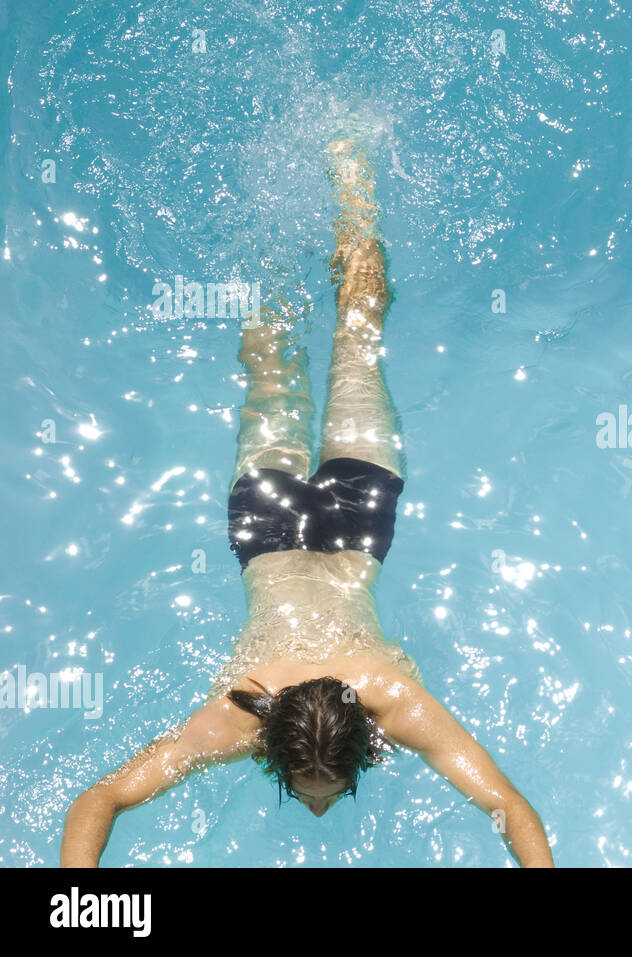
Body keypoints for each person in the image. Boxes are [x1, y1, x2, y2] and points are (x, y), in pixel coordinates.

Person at [59, 140, 554, 868]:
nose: (320, 804)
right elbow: (508, 806)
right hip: (280, 524)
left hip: (322, 524)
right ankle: (320, 191)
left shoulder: (253, 714)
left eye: (319, 790)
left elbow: (100, 797)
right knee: (325, 349)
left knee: (329, 348)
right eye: (322, 789)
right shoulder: (335, 703)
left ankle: (289, 215)